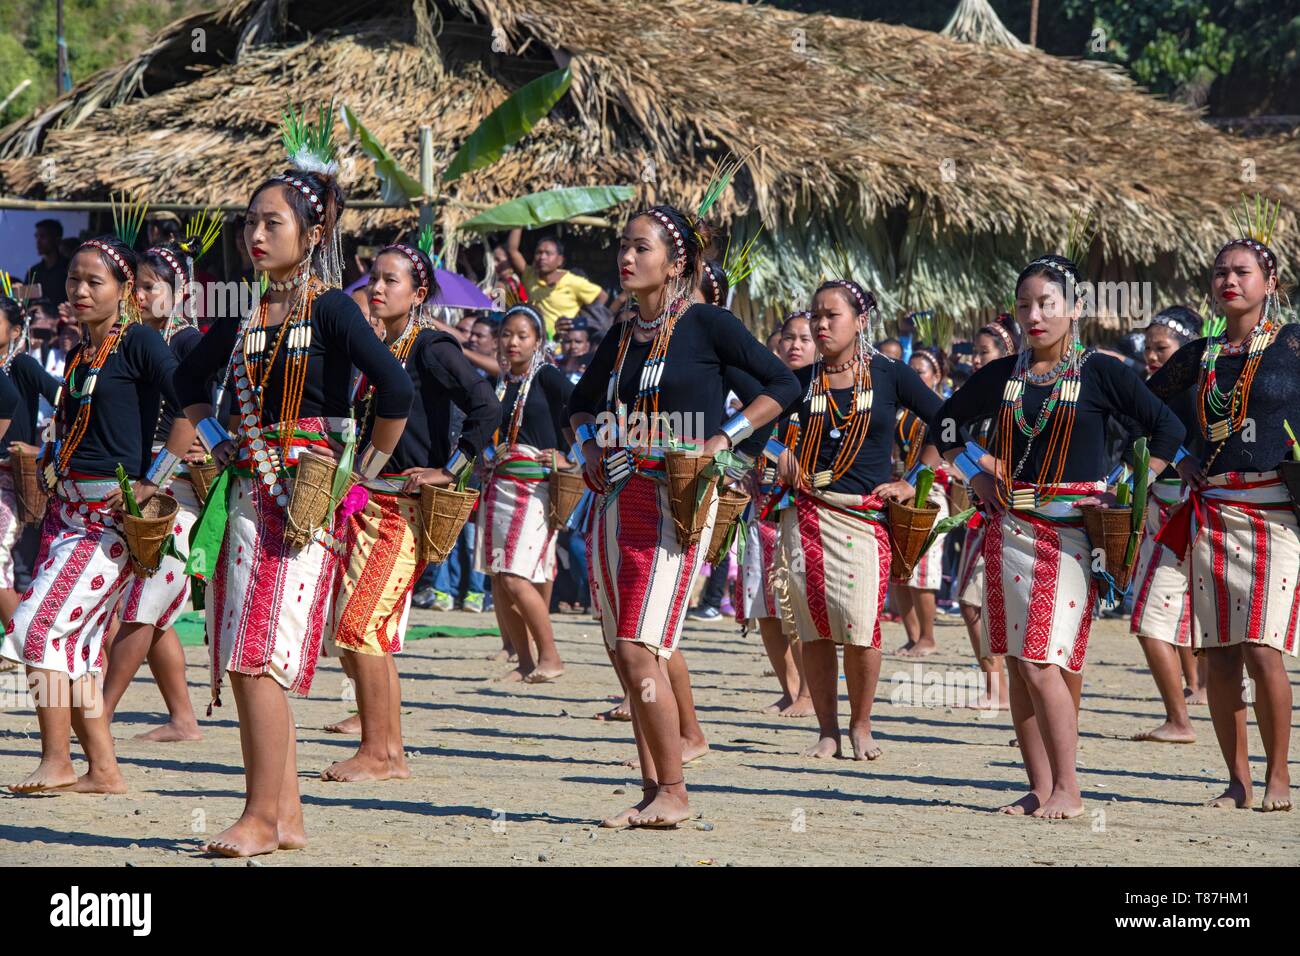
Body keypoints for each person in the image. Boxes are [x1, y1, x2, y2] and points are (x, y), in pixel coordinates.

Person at [175, 111, 413, 855]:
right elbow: (185, 381)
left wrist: (358, 478)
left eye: (272, 223)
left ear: (311, 235)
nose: (256, 235)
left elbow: (395, 394)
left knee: (258, 657)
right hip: (248, 491)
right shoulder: (246, 313)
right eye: (250, 223)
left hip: (303, 500)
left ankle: (259, 816)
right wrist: (211, 443)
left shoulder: (335, 308)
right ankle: (286, 818)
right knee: (243, 658)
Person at [569, 204, 797, 827]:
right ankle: (652, 789)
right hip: (616, 498)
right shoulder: (622, 334)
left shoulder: (707, 325)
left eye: (642, 248)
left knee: (644, 646)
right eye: (623, 245)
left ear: (677, 265)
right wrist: (589, 446)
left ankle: (674, 791)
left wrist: (723, 439)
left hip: (678, 500)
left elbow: (782, 386)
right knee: (624, 650)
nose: (626, 257)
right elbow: (580, 403)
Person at [933, 253, 1183, 818]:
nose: (1034, 315)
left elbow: (1167, 428)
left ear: (1074, 308)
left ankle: (1070, 788)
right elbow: (944, 424)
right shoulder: (1004, 376)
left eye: (1047, 304)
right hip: (1010, 528)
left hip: (1073, 536)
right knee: (1021, 663)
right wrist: (974, 472)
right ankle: (1039, 787)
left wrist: (1127, 487)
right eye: (1025, 305)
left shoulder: (1101, 372)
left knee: (1045, 660)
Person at [1, 233, 193, 794]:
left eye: (94, 282)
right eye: (74, 280)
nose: (80, 291)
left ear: (125, 288)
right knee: (74, 647)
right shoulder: (85, 350)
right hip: (68, 513)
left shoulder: (140, 342)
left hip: (109, 521)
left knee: (37, 629)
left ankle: (57, 759)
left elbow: (190, 404)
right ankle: (103, 770)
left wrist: (152, 479)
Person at [321, 239, 498, 782]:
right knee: (361, 629)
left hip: (404, 507)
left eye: (390, 280)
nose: (376, 288)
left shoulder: (432, 346)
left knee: (361, 623)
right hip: (366, 503)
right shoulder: (378, 350)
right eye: (373, 278)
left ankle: (380, 753)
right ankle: (388, 751)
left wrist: (452, 468)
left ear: (418, 293)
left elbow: (487, 405)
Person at [1146, 212, 1296, 812]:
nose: (1229, 280)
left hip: (1275, 514)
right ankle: (1237, 783)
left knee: (1263, 650)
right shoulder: (1201, 354)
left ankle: (1279, 776)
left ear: (1270, 281)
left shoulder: (1293, 344)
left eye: (1242, 271)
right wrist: (1180, 455)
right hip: (1212, 512)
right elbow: (1141, 405)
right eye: (1220, 272)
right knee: (1220, 655)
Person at [775, 279, 944, 762]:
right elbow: (756, 426)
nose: (821, 324)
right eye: (815, 315)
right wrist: (779, 454)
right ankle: (827, 730)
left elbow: (946, 420)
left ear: (861, 320)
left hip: (863, 520)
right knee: (815, 629)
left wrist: (915, 478)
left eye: (832, 315)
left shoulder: (889, 374)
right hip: (806, 513)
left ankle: (861, 725)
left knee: (861, 625)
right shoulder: (801, 379)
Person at [102, 228, 218, 744]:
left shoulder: (191, 342)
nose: (143, 296)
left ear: (181, 293)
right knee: (154, 609)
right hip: (145, 486)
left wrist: (213, 442)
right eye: (138, 287)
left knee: (143, 604)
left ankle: (97, 715)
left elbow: (216, 409)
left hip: (179, 494)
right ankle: (183, 719)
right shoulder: (135, 341)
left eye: (153, 287)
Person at [477, 303, 571, 683]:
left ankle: (551, 657)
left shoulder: (548, 377)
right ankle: (525, 662)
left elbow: (586, 411)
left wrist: (570, 455)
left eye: (522, 336)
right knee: (501, 577)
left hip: (534, 489)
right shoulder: (503, 383)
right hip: (499, 484)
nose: (513, 342)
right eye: (507, 335)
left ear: (538, 342)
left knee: (517, 576)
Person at [1129, 306, 1206, 743]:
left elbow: (1175, 444)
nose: (1153, 358)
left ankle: (1180, 719)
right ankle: (1189, 700)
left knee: (1149, 617)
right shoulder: (1153, 394)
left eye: (1163, 349)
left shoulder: (1198, 392)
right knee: (1189, 614)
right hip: (1164, 508)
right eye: (1148, 350)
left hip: (1186, 510)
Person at [741, 309, 815, 716]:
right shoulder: (762, 392)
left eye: (805, 338)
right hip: (761, 509)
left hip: (802, 512)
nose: (795, 345)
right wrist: (744, 470)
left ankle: (809, 692)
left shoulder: (826, 393)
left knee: (796, 607)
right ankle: (789, 689)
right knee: (764, 608)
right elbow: (743, 437)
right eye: (789, 337)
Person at [953, 318, 1018, 711]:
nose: (976, 359)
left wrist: (979, 458)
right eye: (975, 352)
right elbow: (946, 430)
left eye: (985, 352)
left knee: (996, 605)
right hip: (983, 512)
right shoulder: (975, 395)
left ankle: (1006, 690)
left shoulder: (1019, 396)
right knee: (971, 602)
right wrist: (975, 462)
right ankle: (996, 688)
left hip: (1017, 515)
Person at [0, 295, 57, 625]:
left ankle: (21, 643)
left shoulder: (22, 365)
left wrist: (46, 449)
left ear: (17, 329)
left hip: (13, 478)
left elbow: (65, 403)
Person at [893, 345, 953, 658]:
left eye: (921, 372)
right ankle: (913, 635)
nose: (915, 377)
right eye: (911, 371)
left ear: (937, 376)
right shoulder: (902, 412)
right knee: (900, 572)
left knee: (923, 570)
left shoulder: (942, 411)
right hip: (901, 491)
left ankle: (928, 637)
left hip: (930, 494)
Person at [505, 229, 608, 338]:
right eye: (538, 253)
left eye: (548, 253)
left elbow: (602, 296)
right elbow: (512, 251)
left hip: (562, 346)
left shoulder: (573, 281)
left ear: (560, 260)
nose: (542, 257)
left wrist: (581, 320)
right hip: (538, 343)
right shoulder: (530, 275)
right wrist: (519, 222)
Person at [25, 219, 70, 306]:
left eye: (43, 237)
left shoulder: (69, 268)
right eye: (36, 237)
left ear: (57, 240)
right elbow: (27, 302)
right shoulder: (33, 271)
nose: (38, 241)